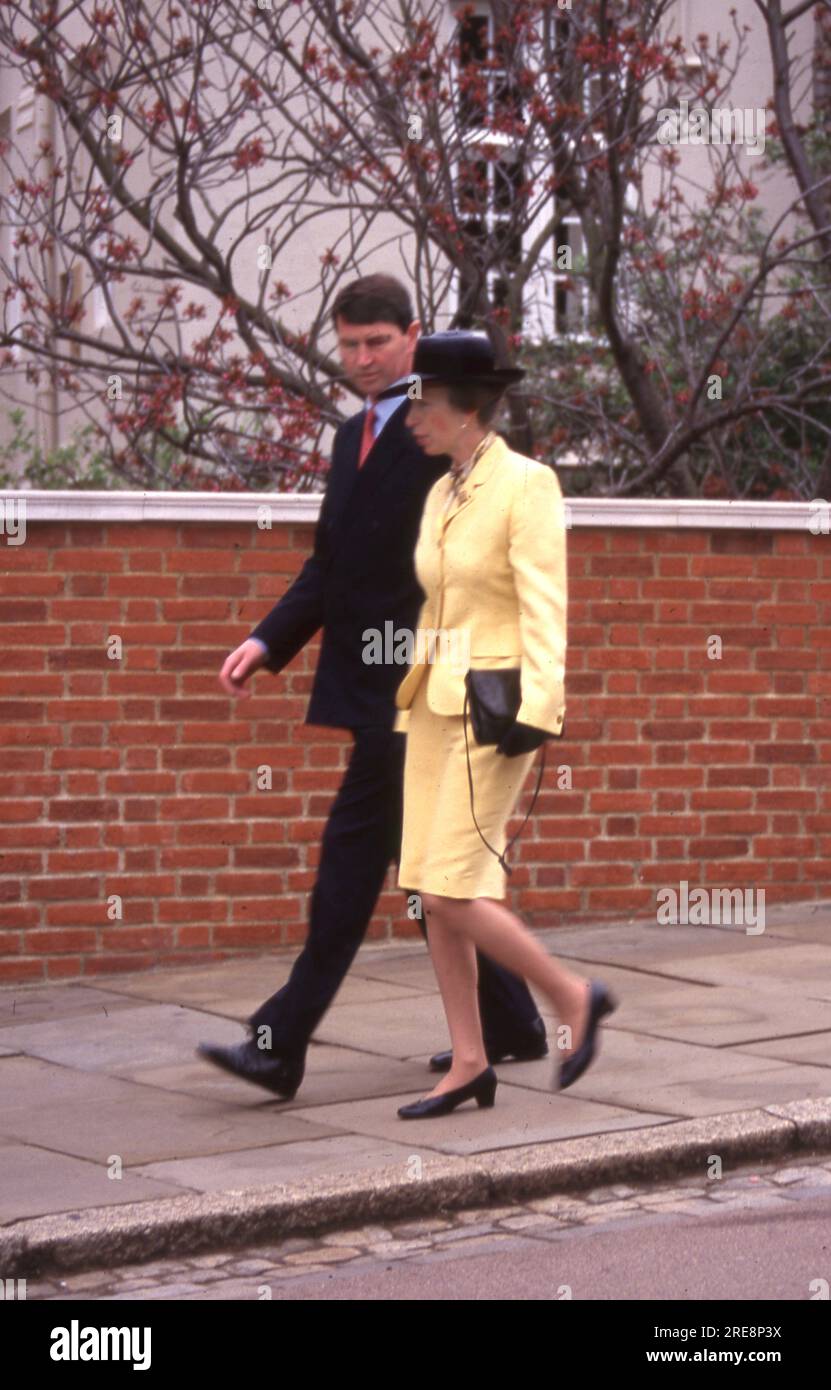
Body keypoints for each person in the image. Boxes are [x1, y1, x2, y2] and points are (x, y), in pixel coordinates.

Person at [196, 277, 550, 1101]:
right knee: (427, 878)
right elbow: (332, 563)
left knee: (350, 871)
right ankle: (514, 1026)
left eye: (377, 344)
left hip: (421, 688)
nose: (360, 360)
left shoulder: (438, 437)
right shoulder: (352, 435)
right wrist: (266, 639)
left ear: (411, 336)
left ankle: (279, 1041)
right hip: (370, 688)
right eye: (349, 344)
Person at [372, 330, 618, 1120]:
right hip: (430, 707)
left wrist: (538, 713)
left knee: (454, 890)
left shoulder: (527, 485)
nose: (412, 417)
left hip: (494, 711)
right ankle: (470, 1060)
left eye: (425, 402)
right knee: (426, 889)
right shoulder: (443, 492)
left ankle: (574, 997)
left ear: (468, 408)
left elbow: (546, 609)